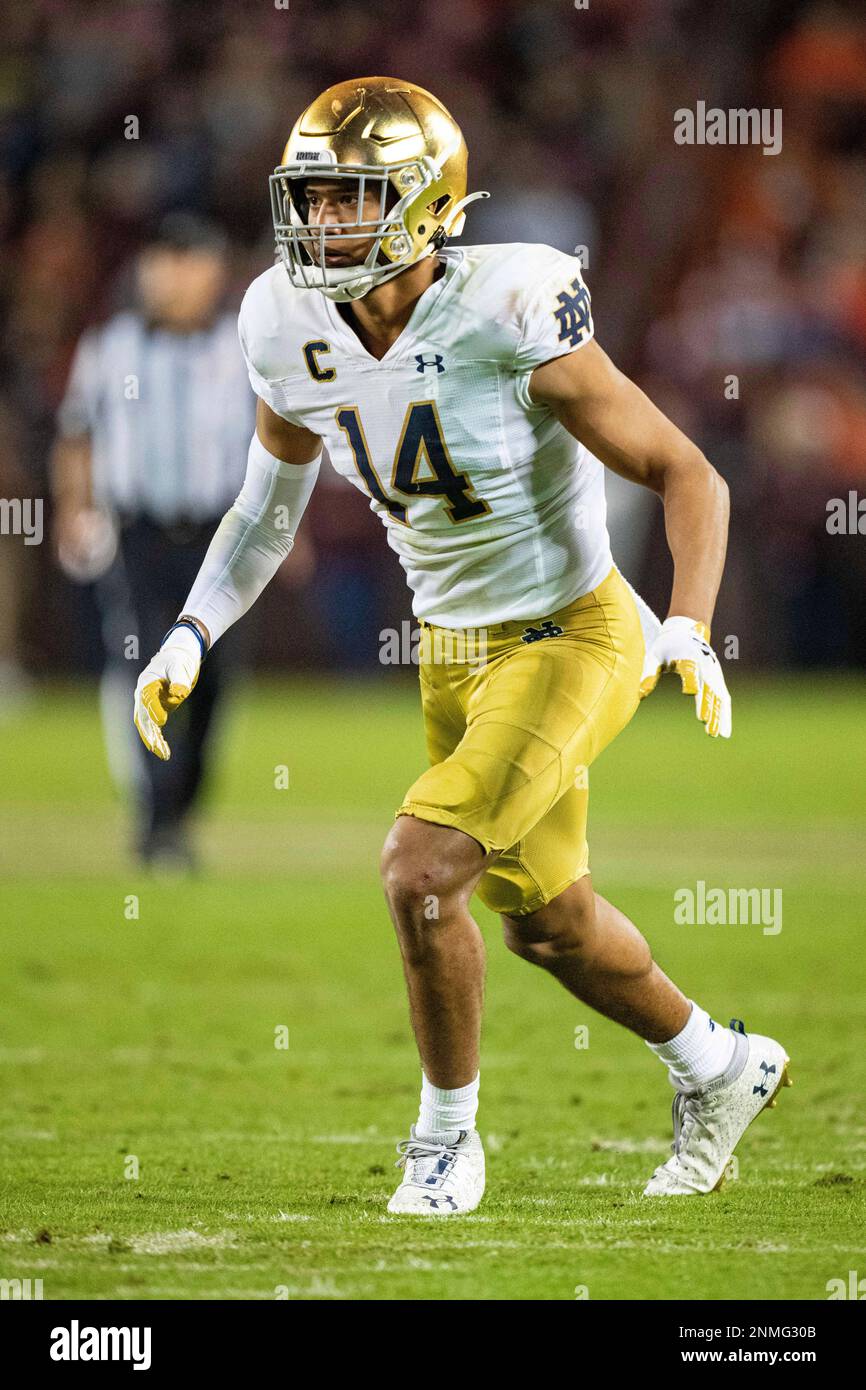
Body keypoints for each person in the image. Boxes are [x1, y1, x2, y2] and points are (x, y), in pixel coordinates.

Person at [133, 79, 791, 1211]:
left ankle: (445, 1142)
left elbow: (686, 469)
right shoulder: (280, 320)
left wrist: (685, 622)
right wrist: (191, 628)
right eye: (314, 198)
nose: (323, 223)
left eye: (351, 199)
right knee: (550, 925)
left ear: (425, 204)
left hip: (570, 631)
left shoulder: (508, 304)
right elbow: (263, 508)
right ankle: (719, 1064)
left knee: (420, 867)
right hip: (451, 651)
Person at [53, 213, 255, 869]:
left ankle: (180, 807)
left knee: (216, 675)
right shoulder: (111, 347)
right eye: (163, 260)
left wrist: (287, 527)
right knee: (142, 662)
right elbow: (78, 434)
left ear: (216, 270)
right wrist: (74, 509)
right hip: (137, 530)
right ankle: (155, 818)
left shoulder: (243, 345)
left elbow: (277, 447)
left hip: (220, 532)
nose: (173, 276)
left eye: (189, 260)